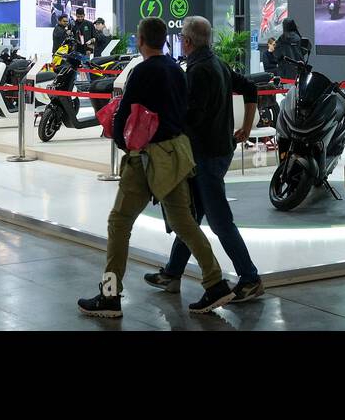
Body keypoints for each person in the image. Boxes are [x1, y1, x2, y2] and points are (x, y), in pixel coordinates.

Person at [78, 17, 234, 318]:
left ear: (140, 39)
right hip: (175, 156)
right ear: (165, 39)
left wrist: (125, 144)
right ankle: (215, 283)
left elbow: (123, 115)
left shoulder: (141, 71)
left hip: (145, 158)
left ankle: (110, 296)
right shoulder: (177, 69)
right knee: (185, 223)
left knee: (119, 222)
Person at [144, 17, 265, 302]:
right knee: (191, 217)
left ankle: (250, 278)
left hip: (206, 155)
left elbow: (192, 117)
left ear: (186, 41)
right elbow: (250, 88)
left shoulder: (198, 71)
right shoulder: (217, 64)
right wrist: (247, 126)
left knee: (219, 220)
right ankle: (172, 273)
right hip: (220, 150)